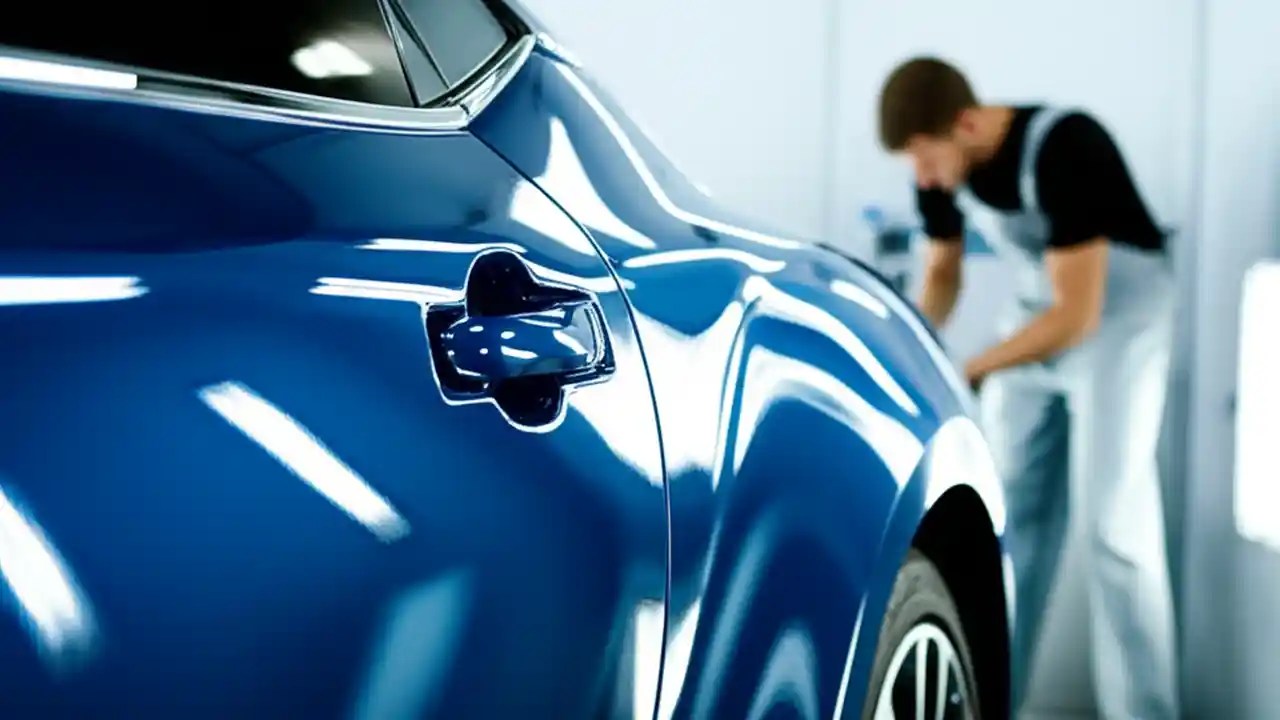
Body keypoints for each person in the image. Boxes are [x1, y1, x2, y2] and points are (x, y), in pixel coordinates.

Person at [876, 57, 1179, 719]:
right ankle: (991, 704)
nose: (923, 181)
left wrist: (974, 369)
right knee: (1009, 525)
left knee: (1114, 528)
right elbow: (944, 273)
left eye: (927, 161)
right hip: (1039, 316)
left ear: (965, 123)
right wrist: (913, 347)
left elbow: (1078, 314)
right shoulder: (937, 172)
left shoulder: (1068, 147)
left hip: (1117, 323)